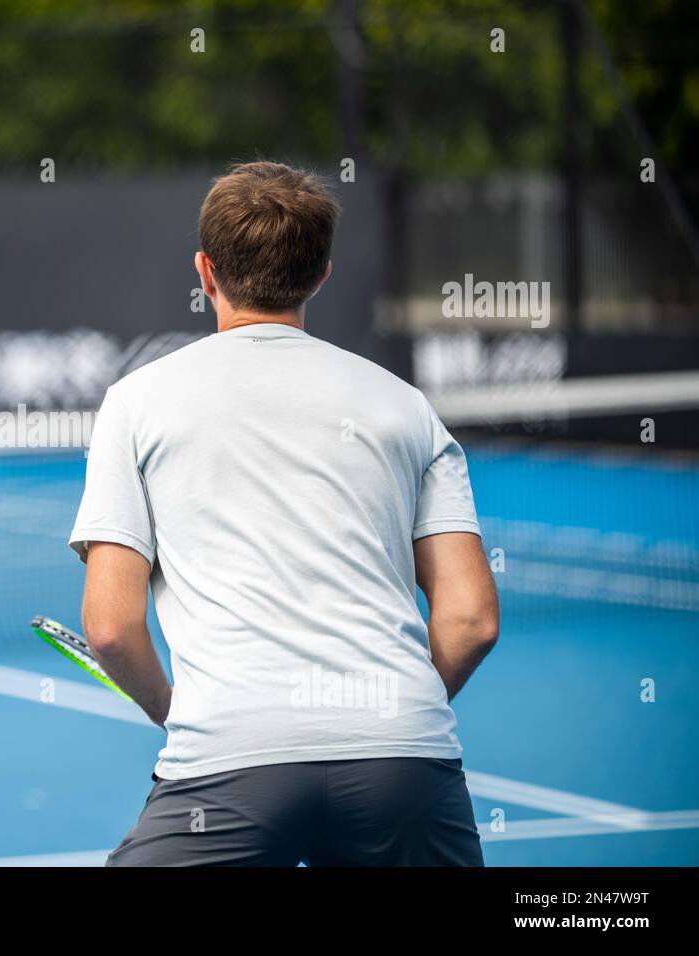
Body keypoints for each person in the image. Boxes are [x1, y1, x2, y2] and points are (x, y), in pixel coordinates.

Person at [68, 161, 499, 867]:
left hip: (229, 764)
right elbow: (472, 618)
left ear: (205, 271)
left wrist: (182, 717)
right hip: (406, 762)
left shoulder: (137, 404)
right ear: (322, 273)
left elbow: (111, 629)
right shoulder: (404, 405)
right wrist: (386, 706)